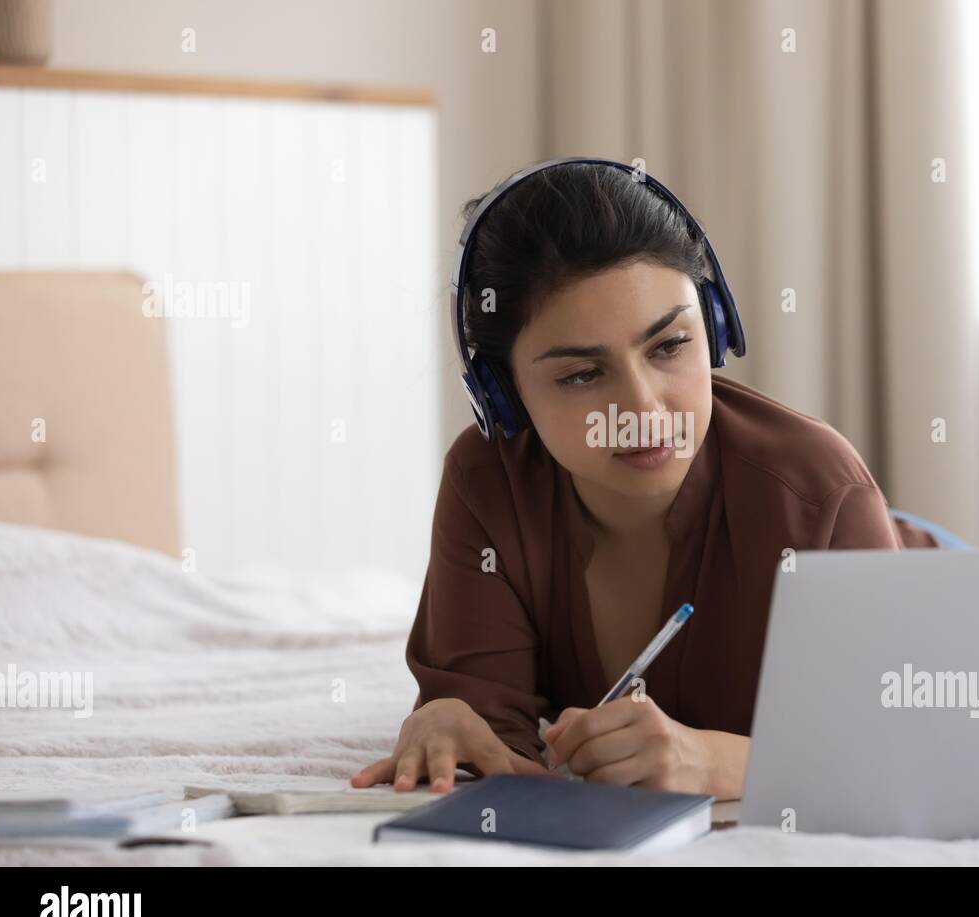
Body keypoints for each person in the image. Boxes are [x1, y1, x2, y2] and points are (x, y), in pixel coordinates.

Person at [351, 160, 937, 801]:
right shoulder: (485, 480)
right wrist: (449, 721)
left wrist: (716, 763)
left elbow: (905, 747)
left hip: (923, 569)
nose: (644, 413)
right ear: (504, 396)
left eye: (668, 347)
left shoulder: (821, 487)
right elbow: (491, 732)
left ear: (712, 330)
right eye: (580, 375)